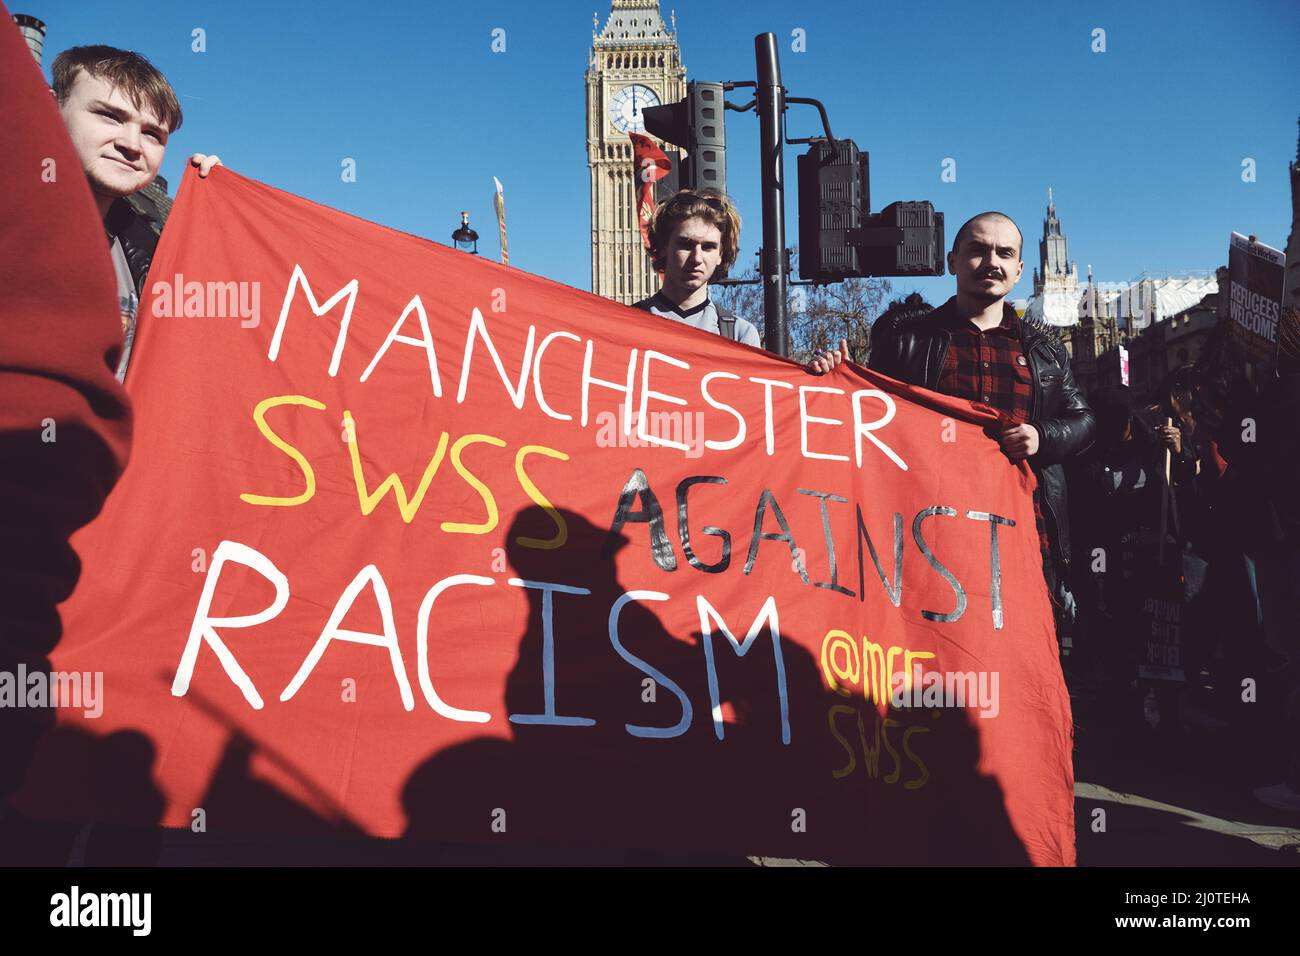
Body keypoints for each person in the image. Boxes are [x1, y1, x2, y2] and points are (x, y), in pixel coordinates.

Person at [869, 211, 1096, 626]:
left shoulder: (1045, 352)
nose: (992, 261)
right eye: (978, 250)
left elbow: (1084, 422)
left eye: (1004, 253)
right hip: (932, 543)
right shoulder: (907, 342)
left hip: (1024, 543)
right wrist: (829, 377)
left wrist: (1042, 436)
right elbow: (865, 415)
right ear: (953, 261)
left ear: (1019, 270)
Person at [51, 44, 222, 380]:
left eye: (152, 134)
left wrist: (216, 214)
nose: (131, 144)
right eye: (109, 116)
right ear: (50, 107)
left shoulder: (146, 250)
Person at [633, 188, 848, 374]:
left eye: (708, 247)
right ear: (662, 248)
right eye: (686, 244)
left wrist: (815, 378)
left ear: (721, 255)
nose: (697, 258)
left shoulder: (739, 333)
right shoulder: (630, 323)